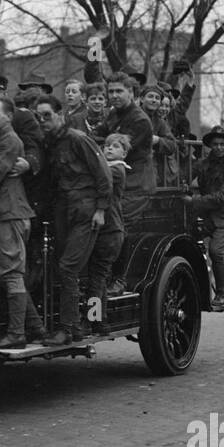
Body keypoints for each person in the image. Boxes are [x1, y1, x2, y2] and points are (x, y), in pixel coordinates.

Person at [33, 95, 113, 345]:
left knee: (68, 267)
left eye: (47, 115)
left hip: (85, 210)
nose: (43, 121)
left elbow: (104, 175)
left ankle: (67, 329)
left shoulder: (78, 139)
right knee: (64, 268)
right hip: (64, 209)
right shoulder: (50, 144)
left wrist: (100, 210)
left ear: (60, 114)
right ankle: (78, 327)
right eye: (38, 117)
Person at [0, 97, 43, 349]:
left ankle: (17, 334)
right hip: (5, 213)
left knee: (11, 275)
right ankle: (36, 328)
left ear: (9, 117)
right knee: (9, 275)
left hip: (9, 214)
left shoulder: (9, 141)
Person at [92, 72, 156, 293]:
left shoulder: (139, 120)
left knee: (119, 223)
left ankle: (119, 278)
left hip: (135, 184)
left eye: (119, 91)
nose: (114, 95)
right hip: (114, 178)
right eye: (111, 91)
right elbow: (96, 137)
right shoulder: (112, 115)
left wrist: (100, 141)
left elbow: (118, 147)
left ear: (131, 92)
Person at [183, 125, 224, 312]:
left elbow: (221, 198)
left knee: (215, 252)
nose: (219, 148)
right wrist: (183, 186)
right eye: (215, 144)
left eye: (223, 144)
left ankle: (220, 294)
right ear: (210, 146)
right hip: (205, 217)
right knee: (185, 242)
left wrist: (193, 200)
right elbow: (186, 176)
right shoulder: (202, 165)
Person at [85, 133, 128, 330]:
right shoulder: (110, 167)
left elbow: (100, 177)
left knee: (98, 276)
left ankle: (95, 319)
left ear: (124, 153)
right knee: (98, 277)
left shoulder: (117, 170)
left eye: (116, 146)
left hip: (110, 231)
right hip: (107, 230)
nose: (109, 148)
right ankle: (99, 319)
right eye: (107, 145)